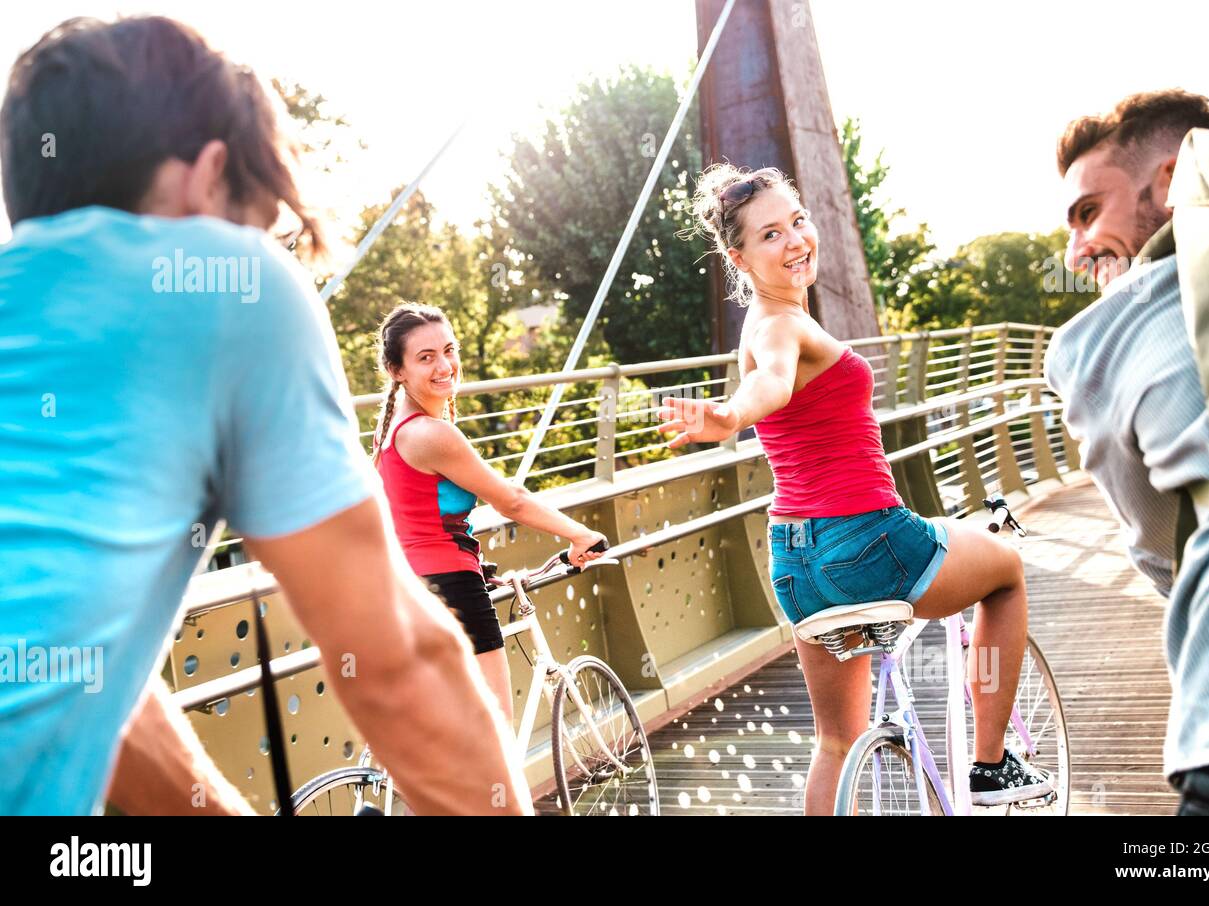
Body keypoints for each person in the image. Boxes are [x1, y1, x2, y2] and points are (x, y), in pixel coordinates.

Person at [0, 15, 527, 815]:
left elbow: (83, 674)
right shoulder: (221, 282)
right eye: (259, 223)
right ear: (209, 175)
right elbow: (397, 664)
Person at [657, 164, 1054, 814]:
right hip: (868, 538)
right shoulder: (780, 326)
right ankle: (990, 764)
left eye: (798, 221)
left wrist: (731, 412)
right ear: (739, 258)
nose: (795, 241)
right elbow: (770, 383)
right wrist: (728, 416)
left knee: (835, 742)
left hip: (796, 563)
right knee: (1005, 570)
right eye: (770, 235)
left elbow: (774, 386)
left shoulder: (763, 324)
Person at [1045, 89, 1209, 815]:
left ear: (1169, 182)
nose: (1076, 251)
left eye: (1088, 211)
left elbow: (1161, 548)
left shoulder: (1096, 339)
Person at [370, 302, 607, 719]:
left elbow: (411, 515)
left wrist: (476, 565)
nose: (445, 365)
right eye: (426, 357)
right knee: (495, 729)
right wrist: (581, 536)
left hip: (407, 586)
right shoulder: (431, 434)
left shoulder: (391, 429)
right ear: (396, 370)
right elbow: (510, 500)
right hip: (448, 588)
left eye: (449, 350)